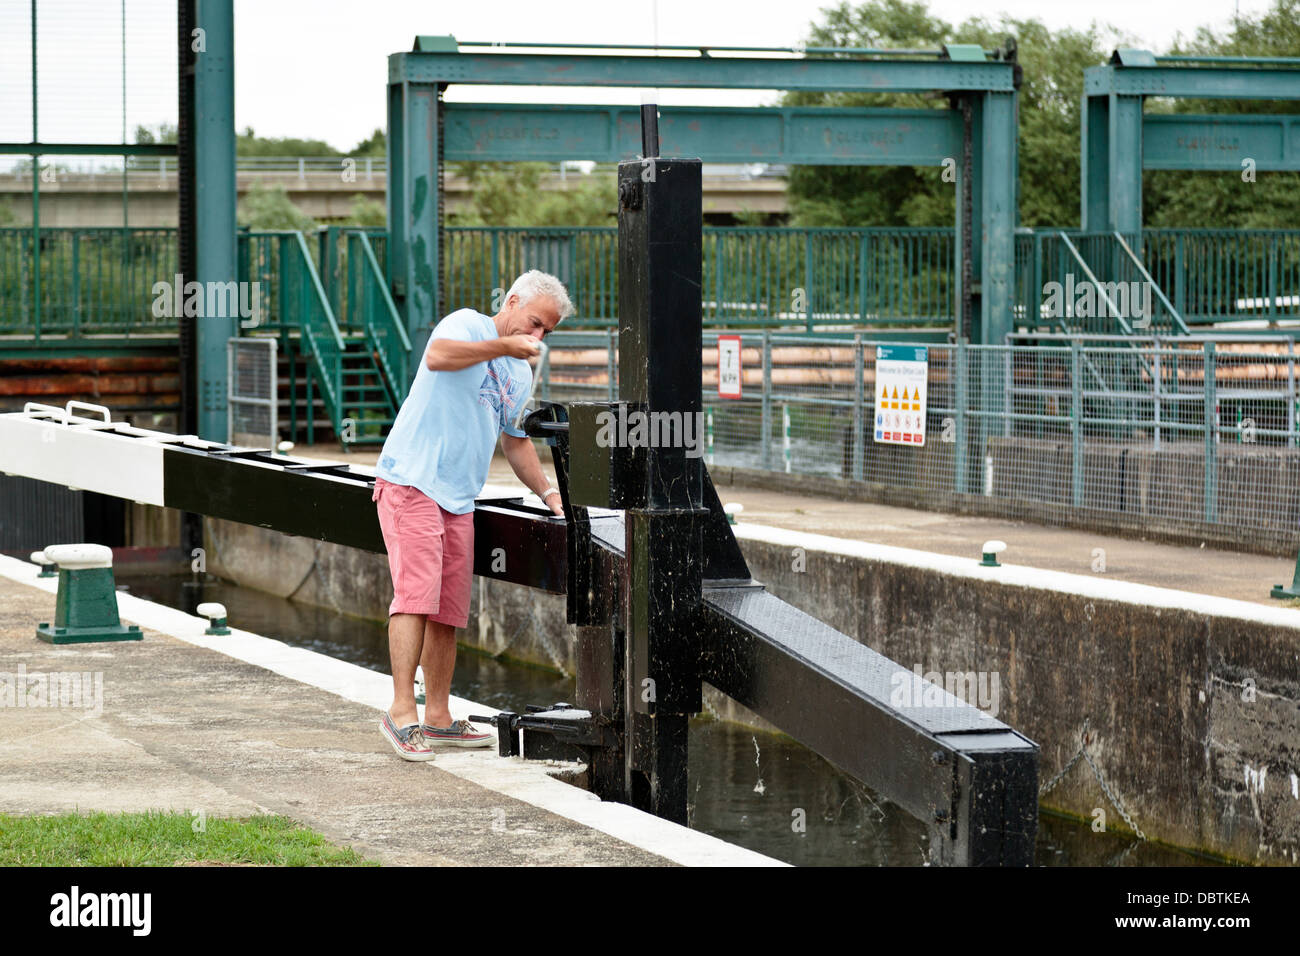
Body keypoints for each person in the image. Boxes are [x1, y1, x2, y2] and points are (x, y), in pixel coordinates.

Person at [373, 270, 572, 760]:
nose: (538, 335)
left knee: (447, 612)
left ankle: (438, 716)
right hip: (413, 481)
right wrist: (504, 349)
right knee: (415, 598)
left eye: (547, 330)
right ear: (510, 301)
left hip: (460, 498)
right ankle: (402, 712)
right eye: (534, 322)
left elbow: (515, 439)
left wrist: (550, 493)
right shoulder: (466, 325)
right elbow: (438, 358)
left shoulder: (521, 368)